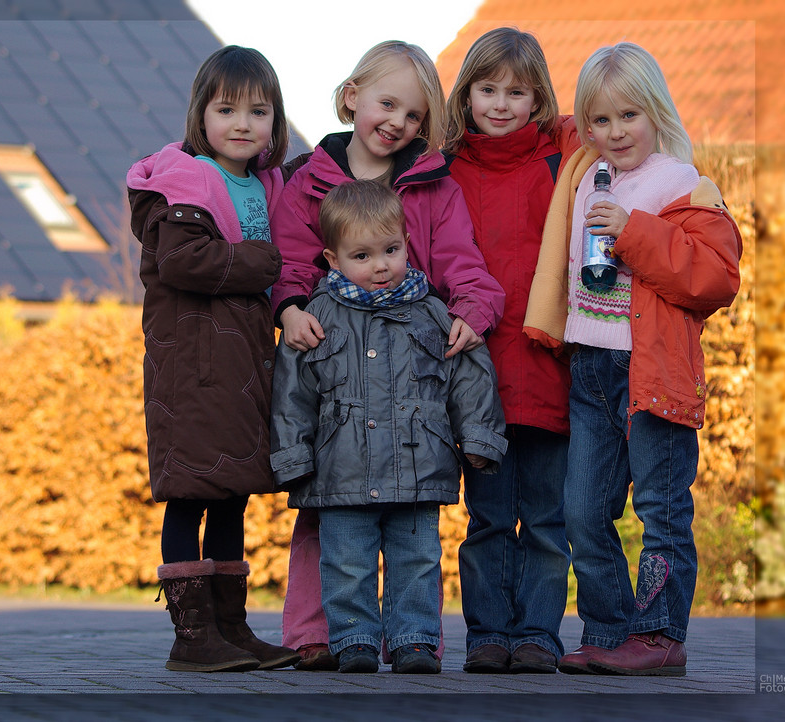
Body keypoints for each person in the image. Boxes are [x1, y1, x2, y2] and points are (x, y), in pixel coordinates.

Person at [270, 40, 506, 671]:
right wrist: (289, 309)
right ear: (352, 97)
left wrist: (471, 316)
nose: (397, 122)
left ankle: (410, 639)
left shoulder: (432, 187)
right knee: (329, 528)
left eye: (415, 115)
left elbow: (466, 267)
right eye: (387, 103)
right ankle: (320, 636)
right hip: (339, 375)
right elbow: (289, 261)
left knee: (412, 540)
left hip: (408, 383)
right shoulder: (309, 180)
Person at [523, 41, 742, 676]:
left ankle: (659, 636)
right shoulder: (582, 167)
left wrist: (633, 231)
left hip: (653, 375)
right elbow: (533, 115)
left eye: (629, 116)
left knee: (661, 508)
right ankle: (610, 628)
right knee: (583, 509)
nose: (614, 132)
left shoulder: (683, 183)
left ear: (656, 112)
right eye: (599, 120)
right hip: (590, 368)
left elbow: (715, 278)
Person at [126, 45, 300, 673]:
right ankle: (191, 635)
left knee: (233, 492)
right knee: (191, 494)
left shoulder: (264, 184)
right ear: (200, 115)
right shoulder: (186, 180)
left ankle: (232, 627)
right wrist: (264, 264)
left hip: (244, 364)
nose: (243, 123)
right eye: (227, 109)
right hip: (193, 362)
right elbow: (179, 261)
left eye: (259, 111)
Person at [443, 27, 580, 675]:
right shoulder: (445, 173)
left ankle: (537, 636)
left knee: (548, 520)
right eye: (487, 89)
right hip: (477, 380)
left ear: (539, 100)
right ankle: (487, 635)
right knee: (490, 521)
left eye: (517, 92)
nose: (500, 104)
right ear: (465, 94)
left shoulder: (561, 164)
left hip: (548, 370)